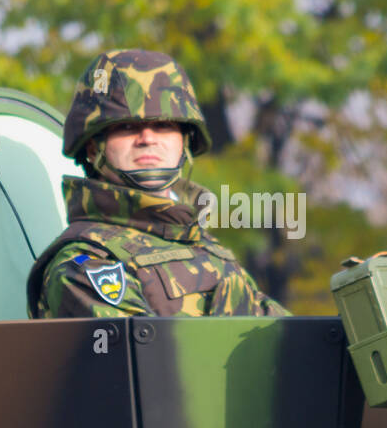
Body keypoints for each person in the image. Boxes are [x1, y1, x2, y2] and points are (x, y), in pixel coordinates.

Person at [27, 48, 290, 319]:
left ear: (184, 141)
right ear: (93, 148)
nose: (148, 138)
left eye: (164, 125)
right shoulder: (86, 263)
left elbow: (292, 339)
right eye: (127, 127)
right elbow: (141, 357)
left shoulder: (206, 247)